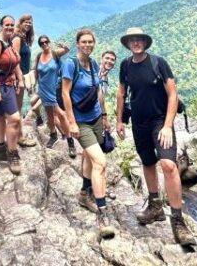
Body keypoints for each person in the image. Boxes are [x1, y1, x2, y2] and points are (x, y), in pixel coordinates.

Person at [115, 27, 195, 246]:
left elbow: (172, 93)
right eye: (132, 40)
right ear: (128, 44)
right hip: (139, 123)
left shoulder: (158, 62)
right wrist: (119, 120)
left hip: (160, 122)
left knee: (168, 165)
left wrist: (168, 126)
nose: (136, 43)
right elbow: (121, 93)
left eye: (139, 39)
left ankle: (178, 221)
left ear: (145, 42)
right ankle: (155, 206)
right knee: (148, 162)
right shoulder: (125, 65)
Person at [61, 29, 116, 240]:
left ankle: (85, 193)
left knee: (88, 157)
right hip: (81, 122)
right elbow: (65, 93)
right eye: (84, 42)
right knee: (100, 162)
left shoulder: (93, 64)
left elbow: (98, 91)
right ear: (77, 44)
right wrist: (71, 121)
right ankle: (103, 214)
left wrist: (104, 115)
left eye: (90, 42)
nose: (87, 45)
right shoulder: (71, 64)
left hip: (95, 119)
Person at [0, 15, 24, 175]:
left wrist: (19, 79)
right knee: (15, 119)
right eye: (7, 25)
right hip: (1, 85)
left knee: (1, 116)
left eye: (12, 25)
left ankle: (0, 149)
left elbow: (14, 63)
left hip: (8, 83)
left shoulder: (8, 42)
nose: (9, 27)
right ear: (1, 26)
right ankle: (12, 152)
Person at [33, 35, 76, 157]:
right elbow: (37, 71)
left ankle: (70, 142)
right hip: (43, 89)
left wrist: (64, 46)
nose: (44, 44)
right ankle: (53, 135)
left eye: (46, 42)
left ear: (49, 42)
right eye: (42, 43)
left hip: (54, 89)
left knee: (61, 115)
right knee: (50, 115)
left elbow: (67, 50)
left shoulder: (55, 53)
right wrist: (34, 85)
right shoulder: (38, 56)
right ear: (40, 45)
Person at [11, 14, 37, 147]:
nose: (28, 24)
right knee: (17, 108)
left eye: (30, 22)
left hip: (22, 76)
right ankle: (19, 137)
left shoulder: (25, 38)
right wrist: (19, 78)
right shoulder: (17, 38)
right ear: (20, 23)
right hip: (17, 77)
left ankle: (15, 135)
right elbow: (15, 59)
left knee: (17, 107)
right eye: (25, 22)